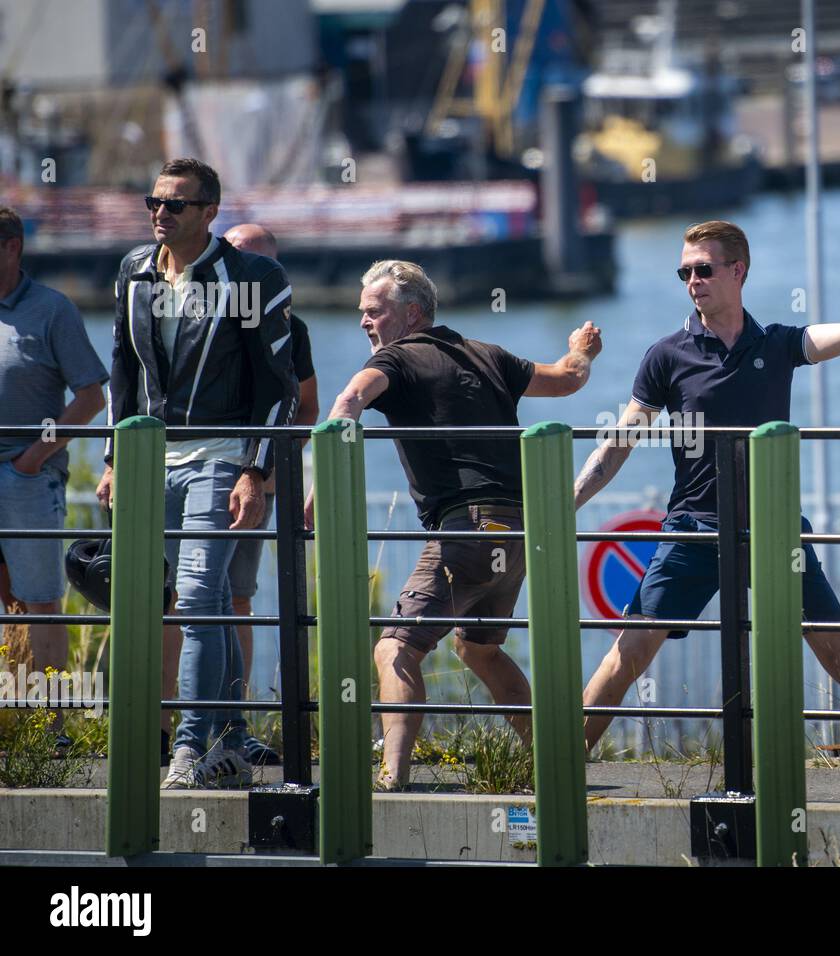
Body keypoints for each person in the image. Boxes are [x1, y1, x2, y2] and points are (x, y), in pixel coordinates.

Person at [573, 219, 840, 781]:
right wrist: (567, 499)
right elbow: (619, 442)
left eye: (704, 269)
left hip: (773, 527)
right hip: (692, 527)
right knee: (629, 650)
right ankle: (555, 772)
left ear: (738, 271)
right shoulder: (666, 355)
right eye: (684, 271)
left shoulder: (780, 344)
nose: (693, 280)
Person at [306, 260, 601, 790]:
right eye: (362, 313)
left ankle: (392, 777)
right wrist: (582, 347)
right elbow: (568, 378)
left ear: (411, 312)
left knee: (395, 647)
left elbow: (348, 401)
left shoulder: (397, 358)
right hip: (516, 531)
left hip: (465, 528)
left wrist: (317, 486)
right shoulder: (488, 354)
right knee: (478, 647)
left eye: (374, 312)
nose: (363, 322)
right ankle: (560, 761)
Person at [98, 158, 299, 788]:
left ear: (210, 212)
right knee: (177, 601)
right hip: (151, 455)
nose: (161, 212)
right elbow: (123, 373)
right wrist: (112, 458)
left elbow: (279, 388)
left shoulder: (250, 275)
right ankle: (230, 737)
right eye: (153, 201)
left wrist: (253, 471)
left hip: (220, 455)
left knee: (196, 599)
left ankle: (188, 747)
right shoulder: (134, 271)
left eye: (176, 204)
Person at [0, 207, 108, 734]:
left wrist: (33, 458)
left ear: (11, 247)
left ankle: (49, 729)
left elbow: (91, 395)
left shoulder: (51, 310)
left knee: (38, 601)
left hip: (25, 478)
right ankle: (10, 722)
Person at [219, 223, 320, 766]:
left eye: (260, 261)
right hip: (187, 468)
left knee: (237, 597)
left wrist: (274, 468)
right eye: (236, 255)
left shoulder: (290, 327)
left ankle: (233, 726)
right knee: (170, 600)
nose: (247, 270)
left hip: (255, 481)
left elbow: (307, 408)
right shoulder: (193, 315)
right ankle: (165, 728)